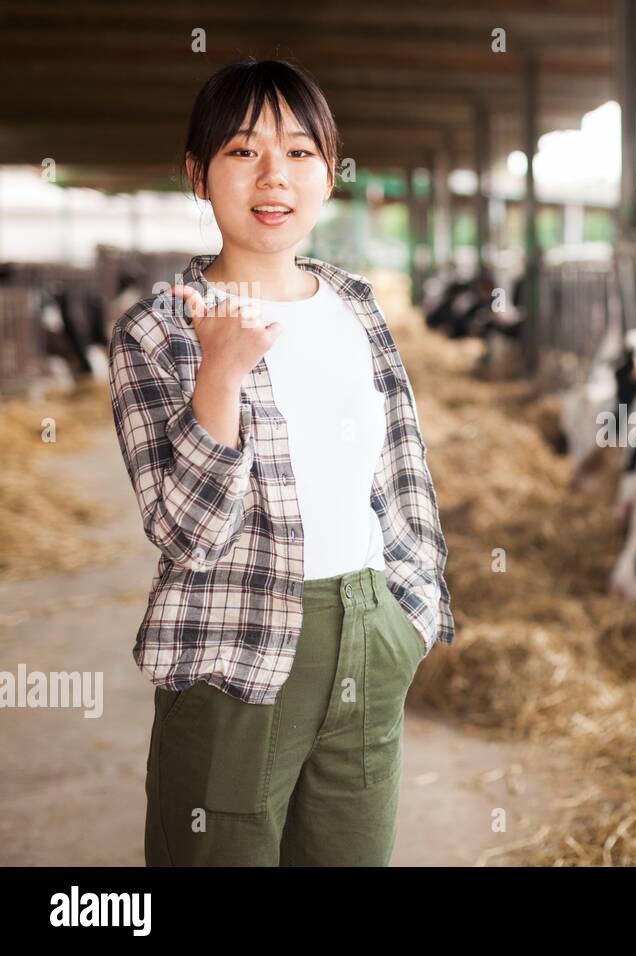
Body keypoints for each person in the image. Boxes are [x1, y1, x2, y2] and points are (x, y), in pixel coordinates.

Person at [106, 58, 455, 866]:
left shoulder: (356, 305)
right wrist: (220, 373)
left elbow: (397, 472)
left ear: (329, 173)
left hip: (369, 630)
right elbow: (186, 534)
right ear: (197, 173)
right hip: (234, 650)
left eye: (300, 152)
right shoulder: (155, 332)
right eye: (242, 151)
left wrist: (412, 610)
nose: (275, 177)